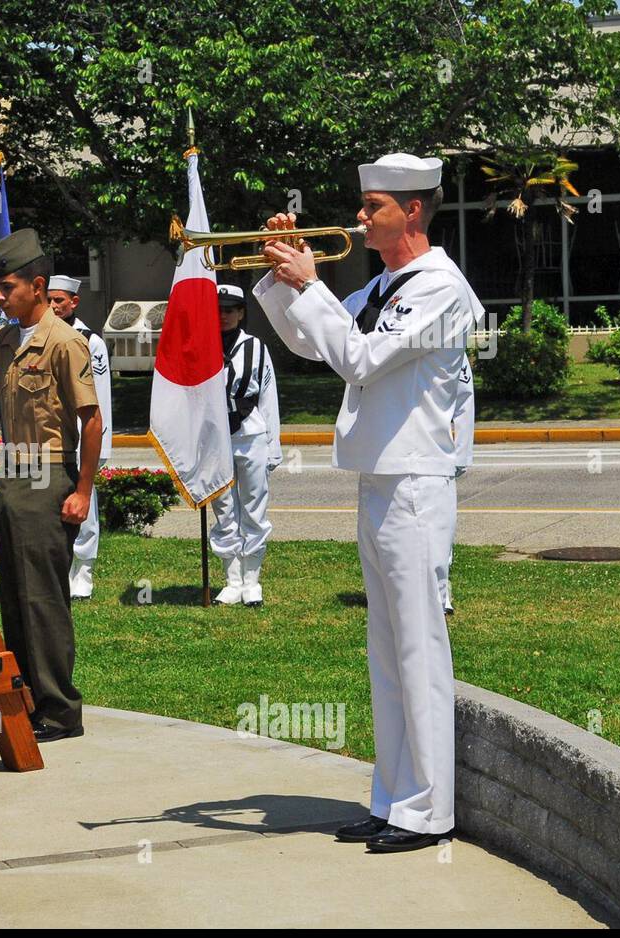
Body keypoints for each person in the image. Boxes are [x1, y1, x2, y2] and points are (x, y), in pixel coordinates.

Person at [253, 153, 483, 853]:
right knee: (386, 651)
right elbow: (311, 342)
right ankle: (393, 800)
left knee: (419, 648)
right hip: (381, 477)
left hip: (415, 480)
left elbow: (358, 360)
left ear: (413, 211)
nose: (359, 217)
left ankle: (430, 809)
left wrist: (313, 285)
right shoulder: (389, 283)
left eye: (373, 206)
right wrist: (284, 275)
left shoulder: (438, 286)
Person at [0, 229, 103, 742]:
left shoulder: (64, 341)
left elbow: (91, 420)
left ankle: (58, 708)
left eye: (6, 288)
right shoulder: (5, 338)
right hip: (12, 473)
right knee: (14, 595)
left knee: (43, 600)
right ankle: (27, 699)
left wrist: (82, 490)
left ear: (36, 285)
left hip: (47, 472)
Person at [206, 284, 282, 606]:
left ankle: (252, 580)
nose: (223, 315)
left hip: (250, 435)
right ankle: (232, 579)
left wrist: (273, 445)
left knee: (253, 507)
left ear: (240, 313)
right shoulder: (201, 345)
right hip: (214, 440)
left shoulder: (257, 347)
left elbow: (268, 396)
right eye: (218, 310)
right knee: (224, 508)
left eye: (230, 309)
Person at [47, 274, 112, 599]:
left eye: (59, 300)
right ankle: (59, 569)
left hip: (82, 434)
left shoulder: (90, 340)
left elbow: (100, 398)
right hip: (51, 436)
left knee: (84, 502)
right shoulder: (39, 336)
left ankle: (84, 570)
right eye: (48, 300)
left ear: (74, 302)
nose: (53, 306)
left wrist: (100, 443)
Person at [439, 359, 475, 614]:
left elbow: (463, 403)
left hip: (439, 455)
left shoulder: (453, 353)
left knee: (441, 527)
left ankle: (441, 595)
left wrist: (461, 455)